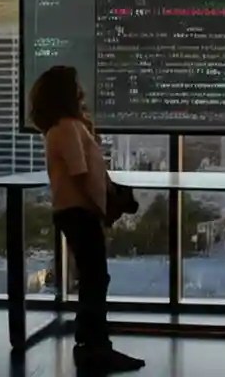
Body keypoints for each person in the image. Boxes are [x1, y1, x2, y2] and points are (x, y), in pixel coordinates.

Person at [30, 66, 144, 374]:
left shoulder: (65, 127)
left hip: (75, 211)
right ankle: (95, 348)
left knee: (94, 279)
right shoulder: (67, 128)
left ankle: (91, 344)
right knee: (95, 280)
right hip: (79, 212)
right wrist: (103, 207)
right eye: (76, 86)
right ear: (67, 93)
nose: (82, 91)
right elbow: (80, 174)